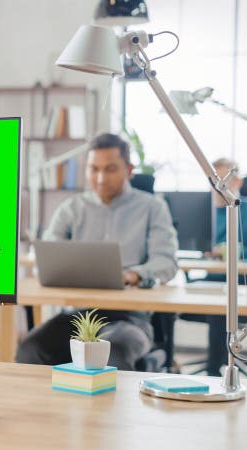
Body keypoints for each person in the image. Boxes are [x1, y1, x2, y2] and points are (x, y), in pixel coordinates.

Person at [16, 133, 178, 370]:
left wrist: (133, 274)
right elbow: (46, 258)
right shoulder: (71, 208)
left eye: (110, 169)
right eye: (94, 169)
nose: (101, 178)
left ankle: (105, 409)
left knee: (111, 353)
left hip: (130, 320)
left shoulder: (153, 208)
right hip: (77, 316)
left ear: (129, 170)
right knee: (31, 348)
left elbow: (166, 262)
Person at [194, 158, 247, 376]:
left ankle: (217, 366)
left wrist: (234, 253)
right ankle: (214, 367)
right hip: (213, 277)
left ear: (236, 181)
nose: (216, 189)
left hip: (243, 279)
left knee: (223, 303)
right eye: (213, 183)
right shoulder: (204, 210)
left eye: (222, 183)